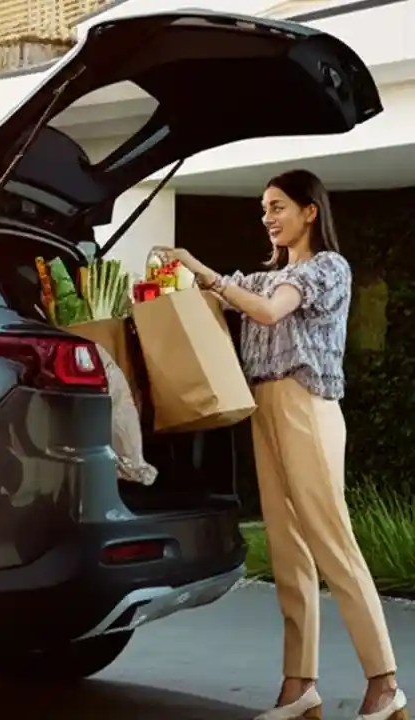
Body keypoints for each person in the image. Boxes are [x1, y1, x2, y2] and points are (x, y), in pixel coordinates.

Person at [153, 169, 406, 720]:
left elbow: (267, 312)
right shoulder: (264, 277)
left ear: (310, 211)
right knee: (288, 552)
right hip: (263, 409)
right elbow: (234, 298)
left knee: (332, 544)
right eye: (263, 209)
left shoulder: (326, 269)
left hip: (307, 408)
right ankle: (299, 687)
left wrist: (207, 275)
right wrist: (177, 279)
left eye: (278, 207)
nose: (268, 218)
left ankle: (385, 685)